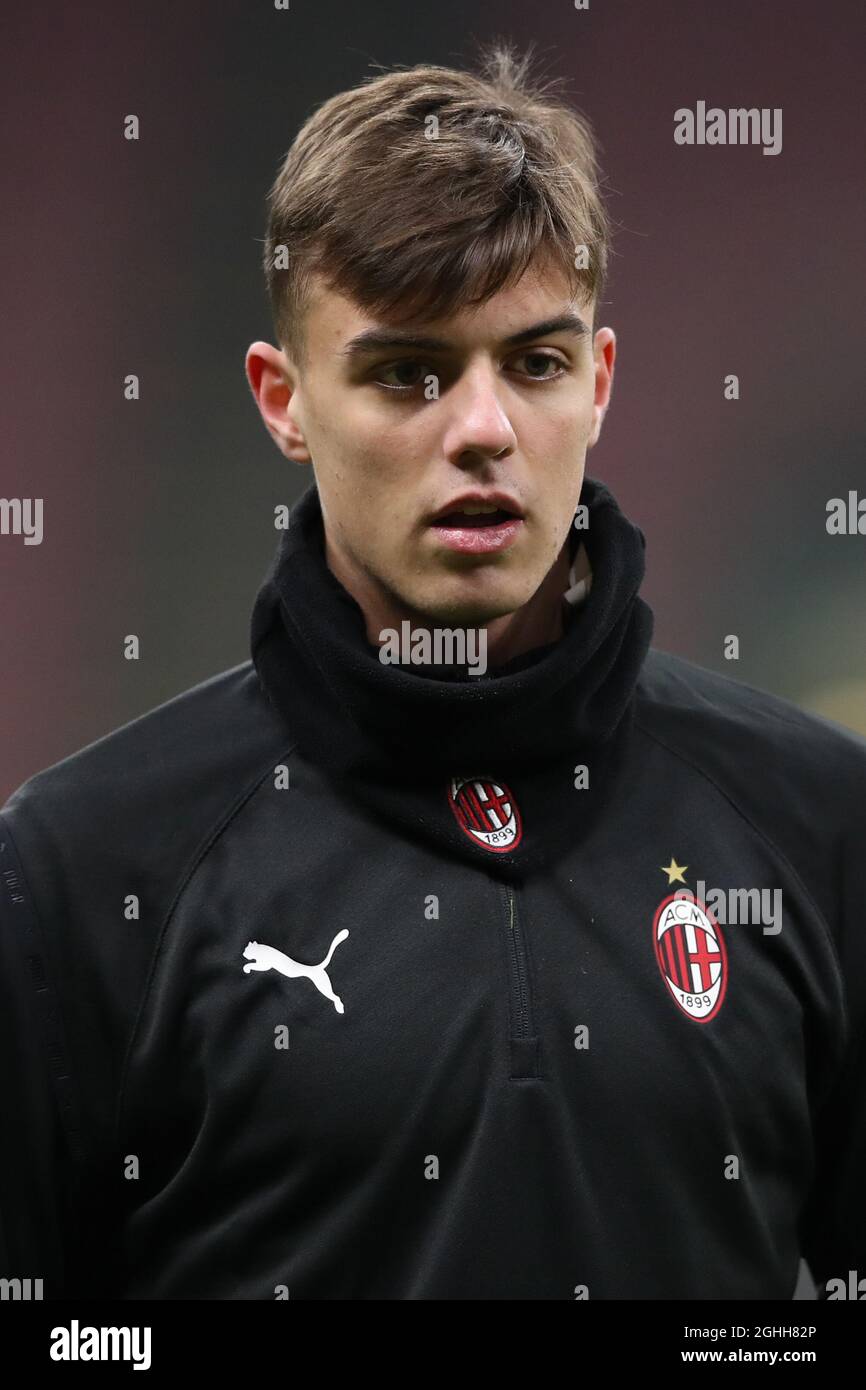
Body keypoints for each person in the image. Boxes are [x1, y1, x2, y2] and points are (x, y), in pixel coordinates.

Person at [1, 42, 864, 1302]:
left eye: (533, 363)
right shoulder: (76, 871)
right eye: (409, 370)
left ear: (599, 382)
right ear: (281, 398)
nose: (481, 429)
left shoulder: (817, 822)